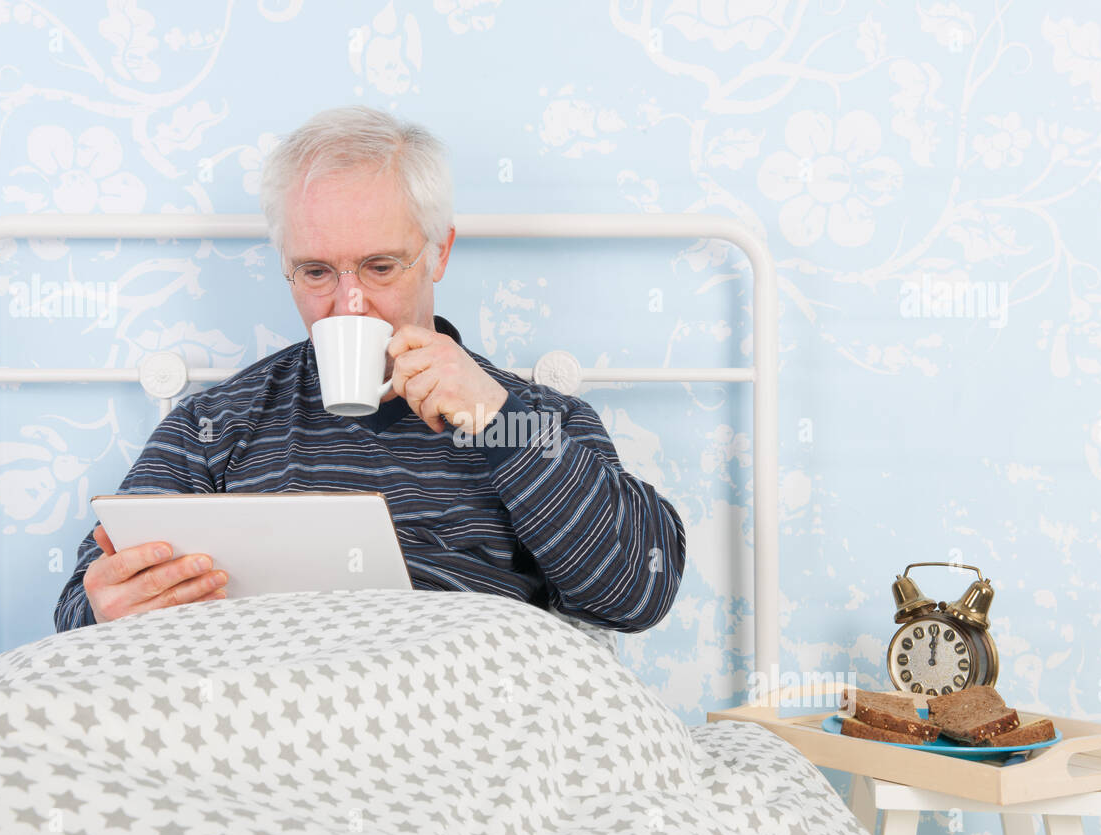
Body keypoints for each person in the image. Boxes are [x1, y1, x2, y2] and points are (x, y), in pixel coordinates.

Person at [54, 105, 686, 634]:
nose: (348, 304)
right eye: (317, 272)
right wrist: (108, 606)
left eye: (381, 267)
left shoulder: (536, 422)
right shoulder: (217, 424)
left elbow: (638, 594)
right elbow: (79, 606)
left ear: (438, 253)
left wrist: (499, 422)